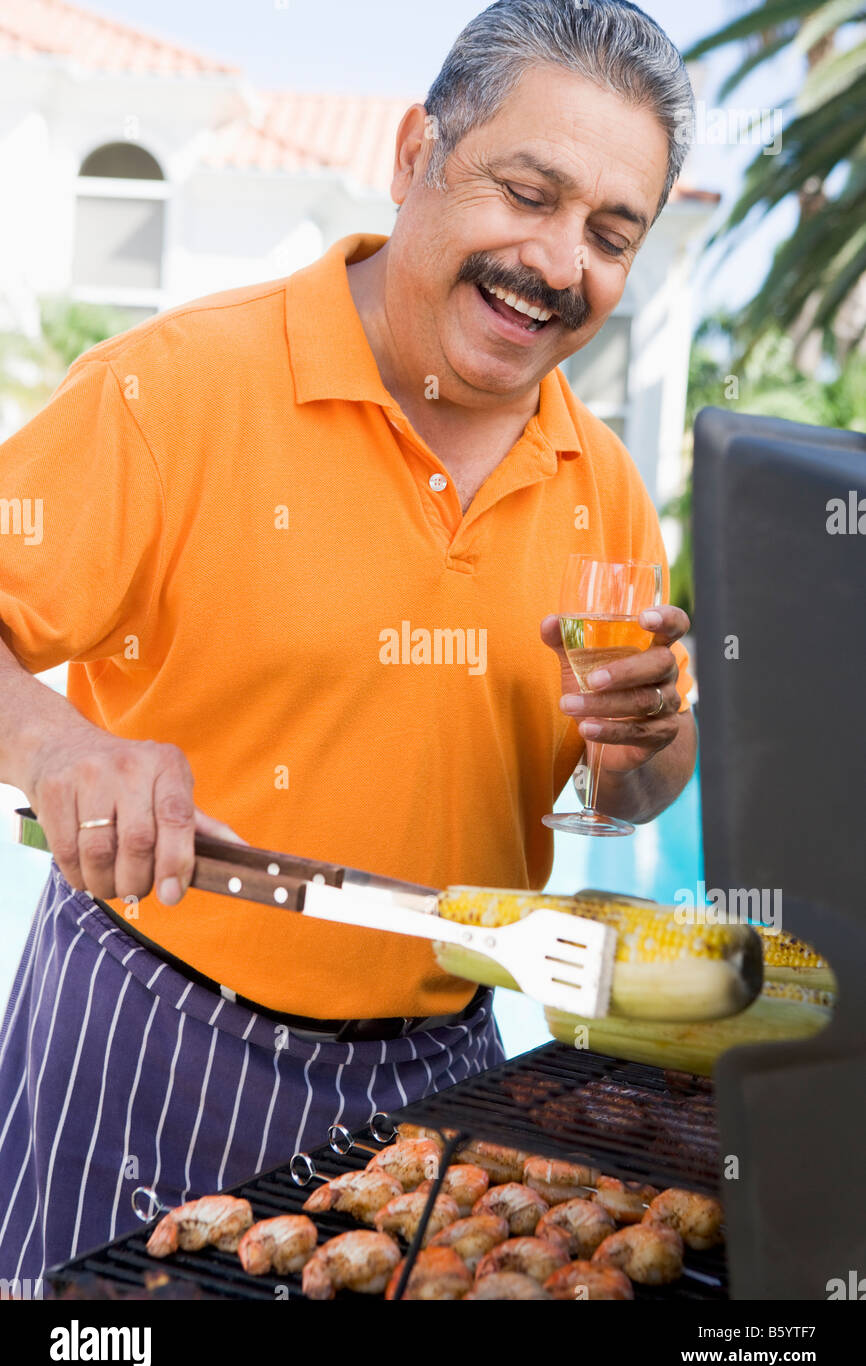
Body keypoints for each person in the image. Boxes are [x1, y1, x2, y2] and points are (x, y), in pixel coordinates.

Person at [0, 0, 696, 1286]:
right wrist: (53, 743)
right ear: (412, 152)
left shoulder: (603, 486)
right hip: (148, 1034)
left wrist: (645, 742)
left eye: (610, 233)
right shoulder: (174, 390)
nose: (557, 262)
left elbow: (624, 784)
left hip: (444, 1065)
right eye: (527, 193)